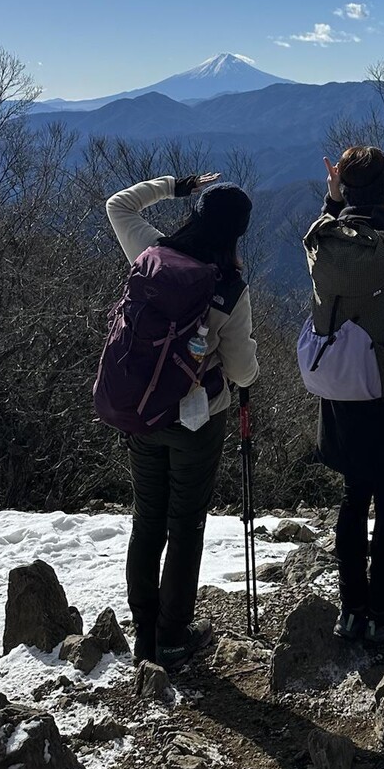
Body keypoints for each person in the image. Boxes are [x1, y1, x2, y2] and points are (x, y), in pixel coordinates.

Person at [105, 171, 259, 669]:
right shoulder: (229, 289)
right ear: (237, 233)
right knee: (185, 525)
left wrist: (177, 185)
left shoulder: (152, 255)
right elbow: (240, 369)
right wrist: (249, 364)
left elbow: (118, 205)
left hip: (142, 413)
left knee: (146, 521)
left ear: (195, 215)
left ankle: (144, 634)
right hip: (196, 420)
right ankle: (174, 637)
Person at [311, 146, 384, 643]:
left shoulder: (321, 244)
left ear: (346, 191)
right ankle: (383, 612)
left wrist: (333, 199)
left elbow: (328, 228)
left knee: (353, 496)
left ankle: (350, 609)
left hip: (341, 387)